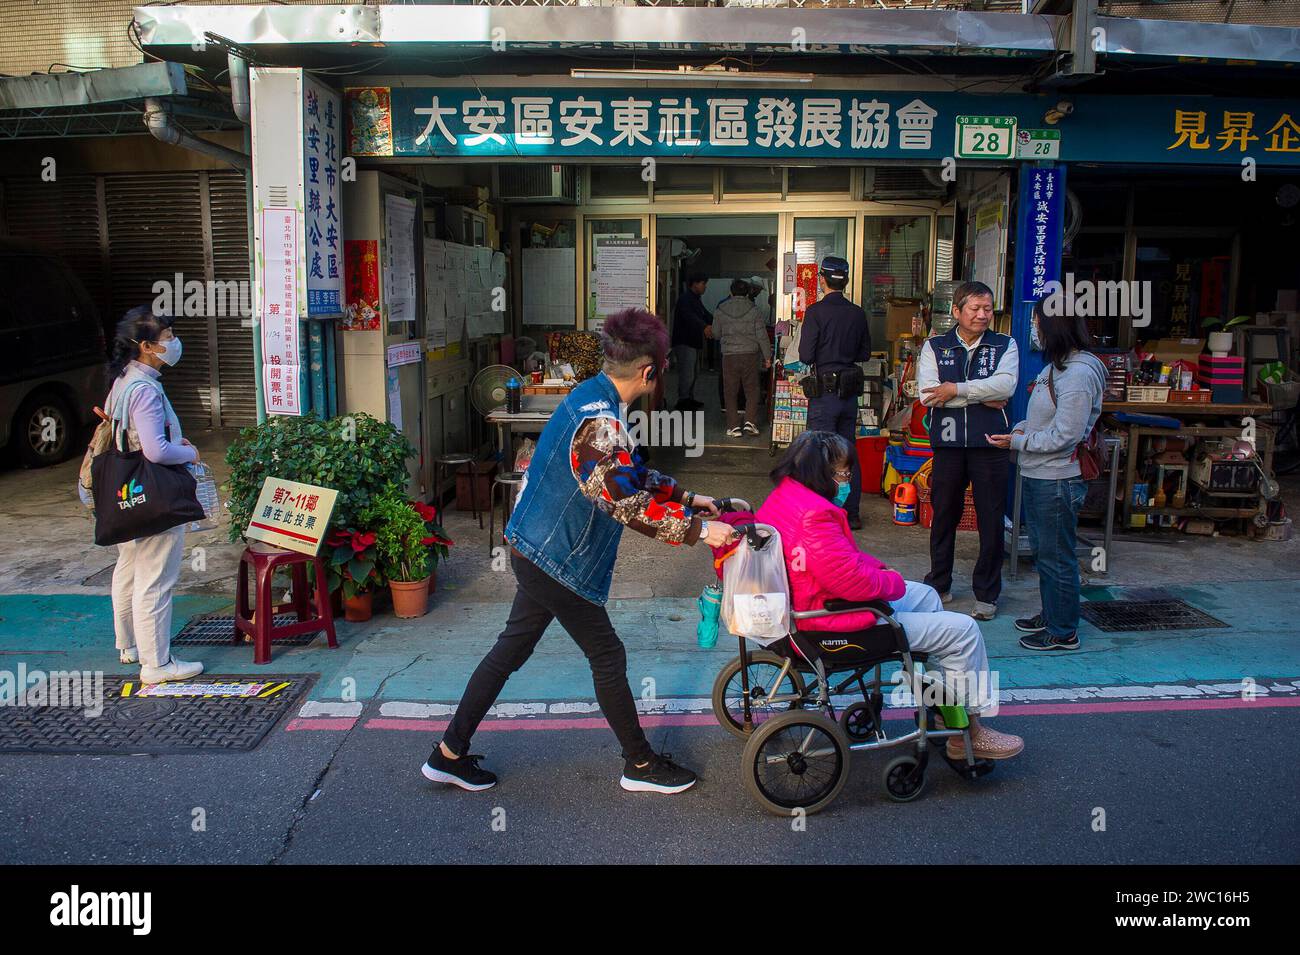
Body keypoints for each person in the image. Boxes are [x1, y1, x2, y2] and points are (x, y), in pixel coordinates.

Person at [423, 307, 733, 794]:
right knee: (606, 654)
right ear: (650, 372)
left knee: (512, 648)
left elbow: (626, 473)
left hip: (535, 548)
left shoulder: (588, 397)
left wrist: (691, 499)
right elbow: (623, 501)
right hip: (555, 561)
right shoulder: (600, 422)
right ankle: (640, 765)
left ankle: (448, 753)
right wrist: (698, 531)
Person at [755, 430, 1023, 760]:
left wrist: (879, 571)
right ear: (820, 474)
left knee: (926, 596)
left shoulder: (787, 496)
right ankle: (969, 730)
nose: (847, 481)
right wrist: (890, 581)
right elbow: (851, 581)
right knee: (964, 631)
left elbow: (841, 563)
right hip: (829, 621)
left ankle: (944, 704)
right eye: (843, 474)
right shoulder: (815, 516)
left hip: (808, 602)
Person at [989, 301, 1106, 651]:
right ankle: (1053, 613)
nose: (1035, 330)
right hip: (1041, 473)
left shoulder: (1080, 374)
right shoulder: (1058, 367)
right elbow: (1043, 420)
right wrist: (1018, 432)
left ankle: (1063, 630)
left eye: (1038, 323)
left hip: (1058, 477)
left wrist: (1019, 440)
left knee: (1056, 556)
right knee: (1045, 552)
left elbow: (1066, 435)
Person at [103, 306, 205, 684]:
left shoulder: (123, 381)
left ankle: (129, 645)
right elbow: (157, 451)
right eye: (167, 338)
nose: (174, 343)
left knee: (129, 569)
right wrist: (189, 452)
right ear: (146, 346)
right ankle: (157, 664)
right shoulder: (145, 389)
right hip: (154, 495)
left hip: (126, 494)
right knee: (156, 578)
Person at [918, 280, 1019, 621]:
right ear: (956, 311)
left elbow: (1005, 387)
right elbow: (928, 394)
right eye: (974, 309)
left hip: (989, 444)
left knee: (991, 520)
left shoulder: (1005, 344)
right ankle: (939, 583)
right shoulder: (935, 347)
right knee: (943, 515)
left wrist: (955, 390)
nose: (981, 315)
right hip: (947, 446)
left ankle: (987, 594)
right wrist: (981, 395)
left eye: (987, 309)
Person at [798, 255, 872, 530]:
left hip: (824, 395)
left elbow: (806, 354)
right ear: (847, 280)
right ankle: (851, 514)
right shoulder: (857, 313)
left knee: (818, 453)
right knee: (847, 453)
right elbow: (864, 352)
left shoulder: (816, 312)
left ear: (822, 280)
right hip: (849, 393)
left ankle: (822, 513)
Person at [713, 278, 772, 437]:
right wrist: (768, 357)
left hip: (729, 357)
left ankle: (733, 427)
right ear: (747, 293)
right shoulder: (754, 310)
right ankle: (750, 422)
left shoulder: (720, 309)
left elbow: (716, 334)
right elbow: (762, 336)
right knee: (752, 390)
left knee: (730, 391)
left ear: (731, 292)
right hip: (750, 355)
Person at [670, 272, 712, 411]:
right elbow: (690, 317)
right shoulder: (685, 299)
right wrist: (704, 326)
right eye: (703, 283)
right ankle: (683, 400)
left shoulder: (695, 299)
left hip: (692, 342)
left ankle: (689, 398)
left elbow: (705, 315)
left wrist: (718, 321)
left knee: (693, 373)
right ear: (694, 284)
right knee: (687, 373)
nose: (705, 287)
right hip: (684, 342)